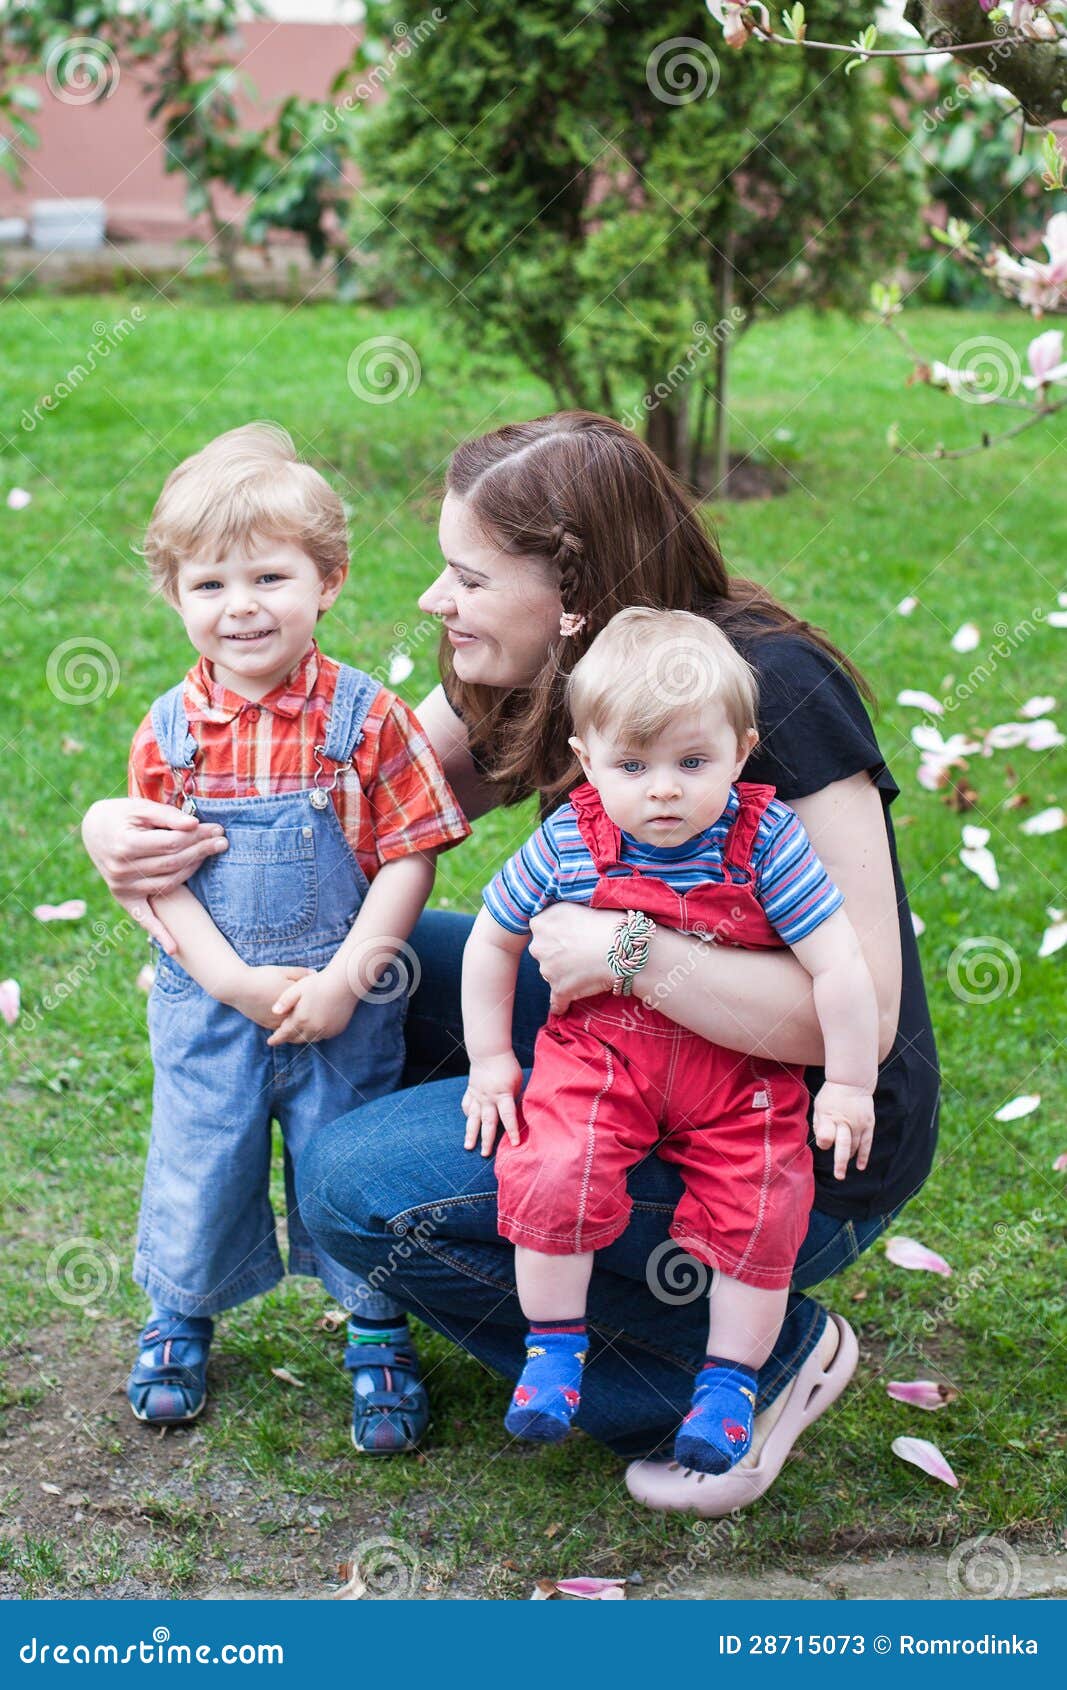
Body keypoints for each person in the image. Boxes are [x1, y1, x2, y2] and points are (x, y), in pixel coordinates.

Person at [84, 411, 939, 1516]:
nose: (437, 602)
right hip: (633, 1056)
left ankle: (737, 1364)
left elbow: (856, 1025)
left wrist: (632, 953)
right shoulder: (558, 669)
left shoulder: (765, 693)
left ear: (571, 595)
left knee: (353, 1185)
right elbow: (356, 785)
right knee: (382, 975)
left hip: (800, 1133)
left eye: (466, 577)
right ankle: (585, 1260)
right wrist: (123, 825)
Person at [107, 422, 469, 1452]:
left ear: (329, 581)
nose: (242, 607)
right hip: (211, 1001)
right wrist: (224, 975)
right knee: (200, 1155)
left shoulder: (367, 720)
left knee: (339, 1155)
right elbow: (162, 882)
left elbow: (407, 855)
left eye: (269, 576)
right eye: (211, 585)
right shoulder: (167, 732)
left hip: (337, 1001)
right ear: (175, 597)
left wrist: (351, 976)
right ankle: (179, 1314)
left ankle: (376, 1328)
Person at [461, 608, 878, 1474]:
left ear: (740, 749)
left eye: (693, 763)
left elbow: (838, 967)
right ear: (585, 760)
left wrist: (844, 1085)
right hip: (601, 1058)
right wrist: (491, 1059)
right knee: (550, 1169)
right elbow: (491, 937)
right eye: (632, 765)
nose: (663, 791)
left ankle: (731, 1385)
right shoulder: (569, 842)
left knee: (763, 1204)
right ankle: (553, 1351)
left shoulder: (766, 843)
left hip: (738, 1072)